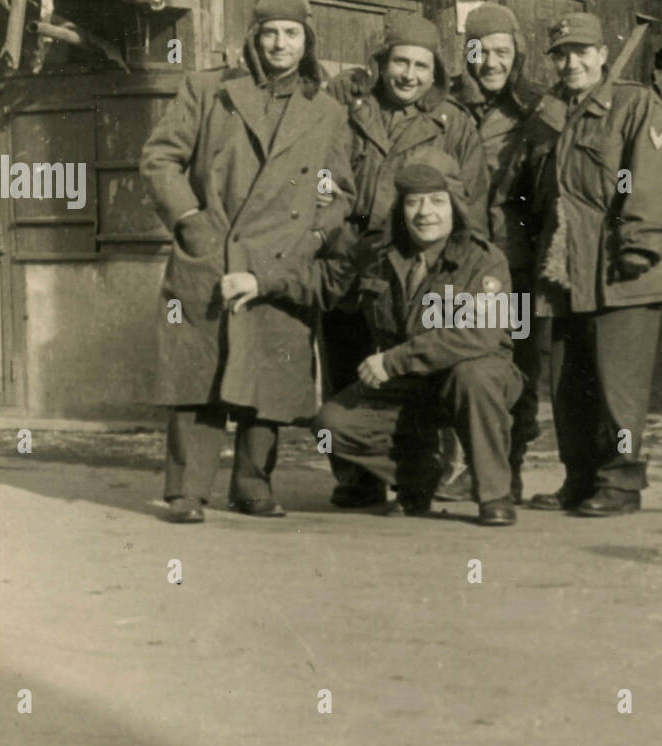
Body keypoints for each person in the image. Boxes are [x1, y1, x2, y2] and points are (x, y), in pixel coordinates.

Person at [140, 0, 354, 524]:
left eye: (292, 33)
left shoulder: (326, 112)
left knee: (271, 372)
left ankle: (253, 483)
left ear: (307, 41)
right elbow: (160, 159)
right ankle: (187, 491)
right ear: (253, 36)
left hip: (280, 261)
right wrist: (190, 223)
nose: (280, 44)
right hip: (212, 252)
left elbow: (336, 191)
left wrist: (310, 239)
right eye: (270, 33)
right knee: (199, 376)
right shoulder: (208, 89)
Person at [221, 160, 522, 527]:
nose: (425, 213)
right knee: (330, 425)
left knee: (475, 376)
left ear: (455, 206)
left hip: (468, 378)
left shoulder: (485, 259)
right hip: (409, 383)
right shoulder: (380, 252)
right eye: (414, 203)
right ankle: (418, 478)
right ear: (401, 208)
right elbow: (325, 279)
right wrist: (260, 281)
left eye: (436, 201)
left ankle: (494, 494)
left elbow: (482, 333)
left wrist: (394, 361)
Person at [527, 12, 662, 517]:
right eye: (561, 54)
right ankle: (580, 480)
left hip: (621, 270)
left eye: (581, 51)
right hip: (565, 270)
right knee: (568, 382)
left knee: (617, 383)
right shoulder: (553, 115)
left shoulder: (636, 105)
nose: (571, 61)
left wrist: (638, 244)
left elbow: (653, 177)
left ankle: (619, 485)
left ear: (602, 54)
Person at [321, 12, 490, 509]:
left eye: (422, 65)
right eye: (400, 62)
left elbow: (472, 203)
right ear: (381, 62)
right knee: (344, 369)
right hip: (349, 261)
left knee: (414, 372)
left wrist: (458, 269)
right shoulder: (347, 107)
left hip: (417, 271)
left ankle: (420, 470)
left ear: (435, 72)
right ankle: (358, 478)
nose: (409, 75)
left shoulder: (452, 124)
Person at [442, 2, 550, 503]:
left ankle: (507, 467)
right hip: (457, 256)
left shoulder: (537, 110)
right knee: (458, 352)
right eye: (480, 50)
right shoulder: (443, 105)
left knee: (519, 362)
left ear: (517, 54)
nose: (490, 62)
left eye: (502, 51)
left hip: (517, 264)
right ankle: (452, 463)